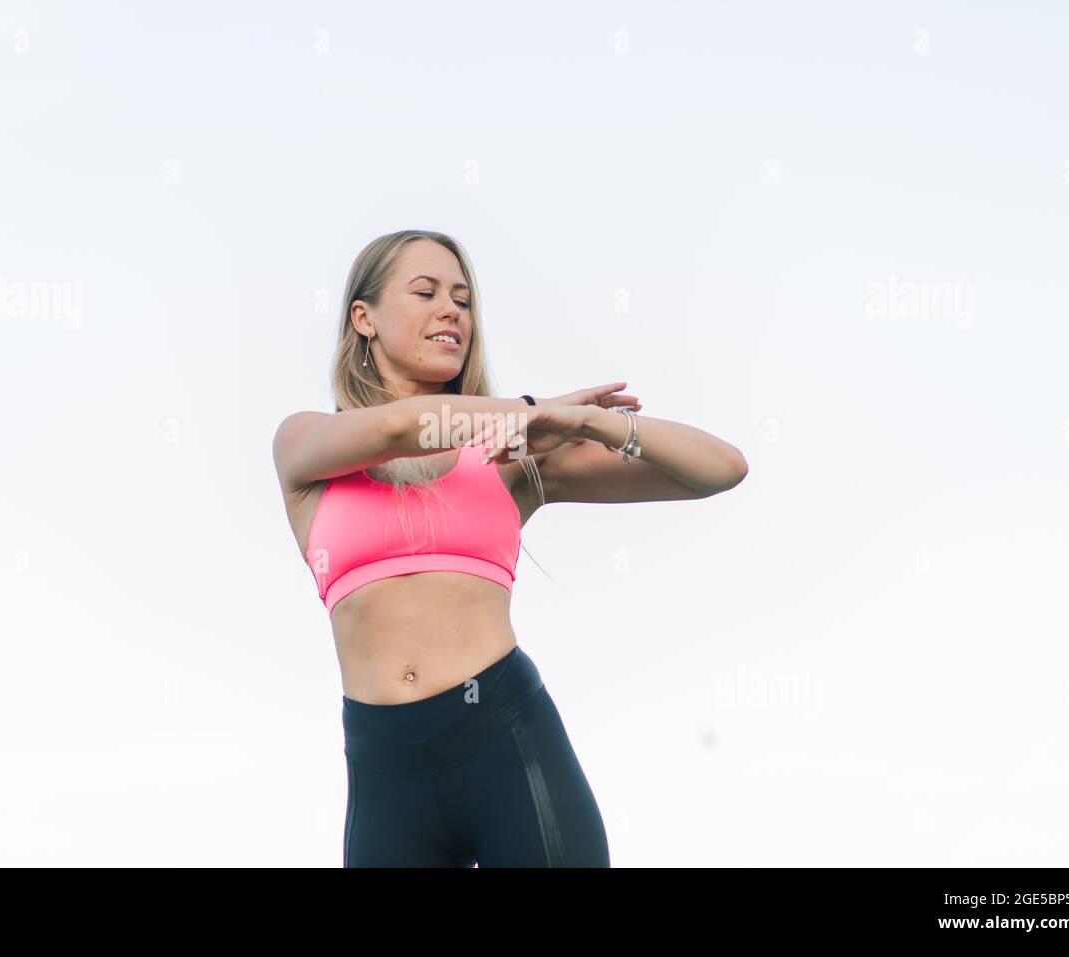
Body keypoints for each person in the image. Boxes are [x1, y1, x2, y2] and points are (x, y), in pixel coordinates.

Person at [272, 230, 748, 867]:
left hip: (507, 742)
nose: (453, 311)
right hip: (385, 773)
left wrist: (588, 422)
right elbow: (394, 425)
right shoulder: (308, 444)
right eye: (426, 292)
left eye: (463, 300)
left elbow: (721, 469)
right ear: (364, 318)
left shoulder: (507, 459)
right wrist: (531, 408)